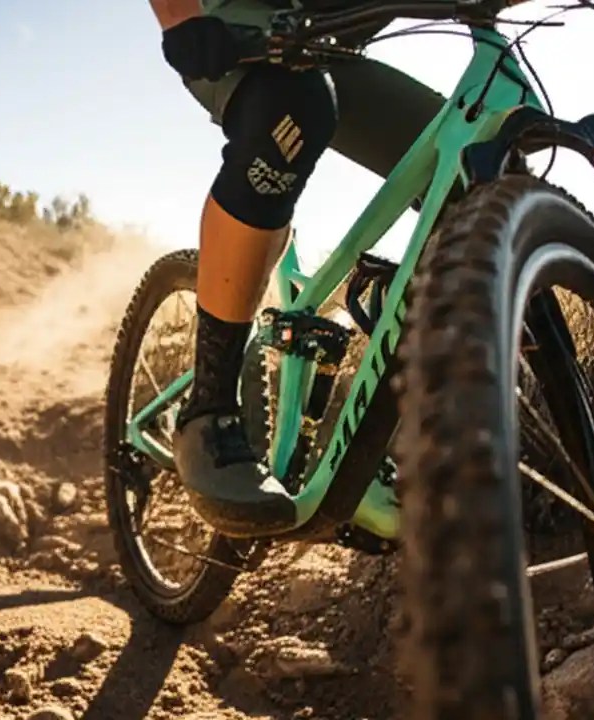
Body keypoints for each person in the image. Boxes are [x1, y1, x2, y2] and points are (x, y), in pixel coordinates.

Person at [150, 0, 449, 538]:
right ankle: (210, 410)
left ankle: (387, 439)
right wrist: (178, 17)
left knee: (469, 149)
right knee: (291, 107)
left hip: (332, 33)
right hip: (236, 19)